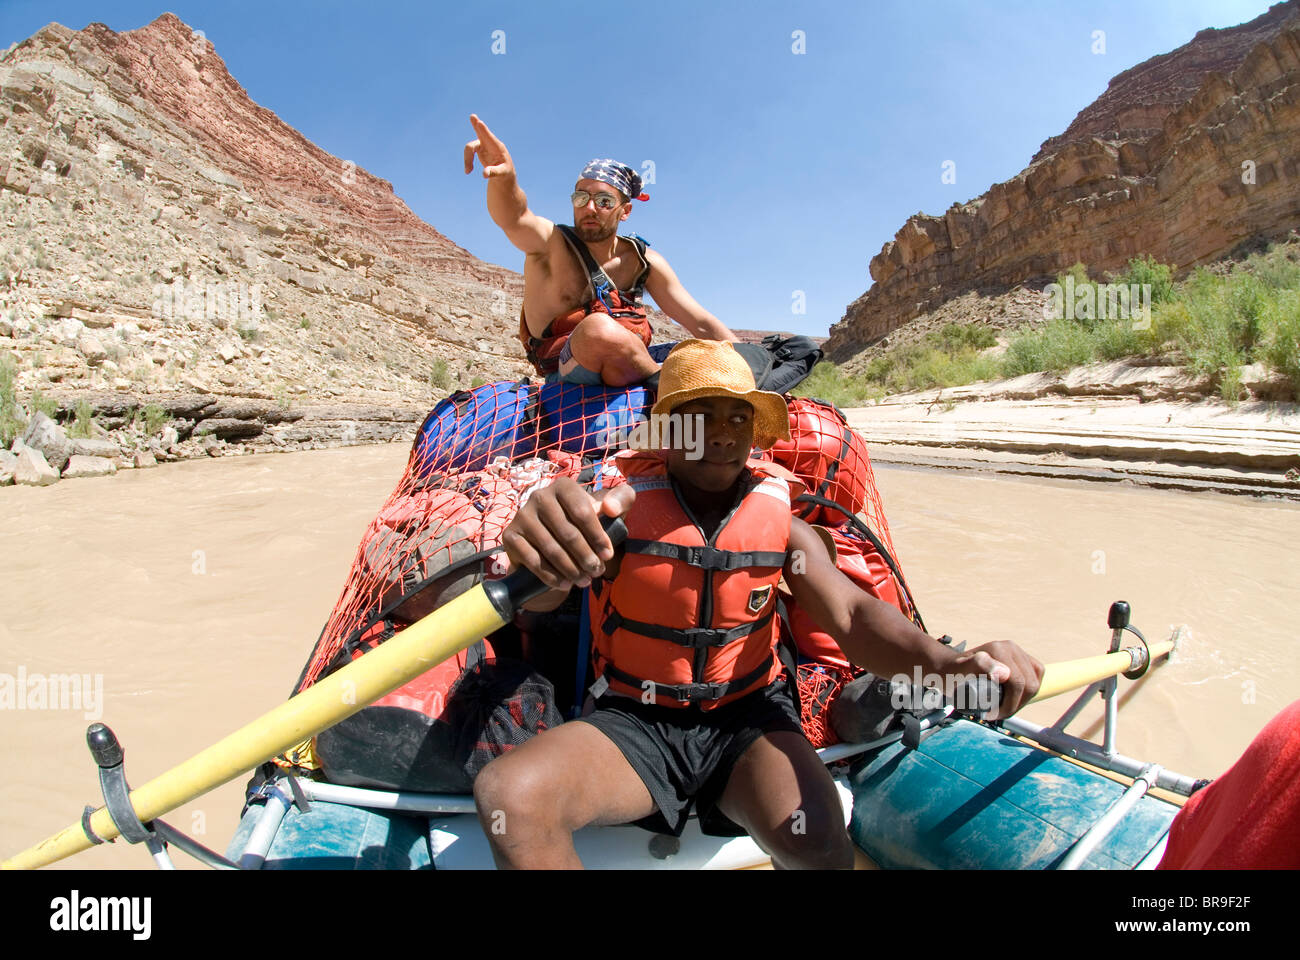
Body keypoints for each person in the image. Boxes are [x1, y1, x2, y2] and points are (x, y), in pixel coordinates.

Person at [472, 339, 1044, 869]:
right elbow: (546, 594)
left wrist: (950, 668)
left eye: (737, 417)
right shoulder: (616, 513)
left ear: (754, 433)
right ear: (667, 430)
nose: (721, 433)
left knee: (819, 840)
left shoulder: (783, 525)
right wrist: (539, 554)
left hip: (748, 720)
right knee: (512, 798)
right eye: (700, 416)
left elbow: (851, 615)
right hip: (636, 720)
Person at [463, 115, 735, 387]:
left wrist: (755, 361)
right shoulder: (551, 245)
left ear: (625, 211)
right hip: (568, 371)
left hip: (627, 367)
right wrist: (504, 179)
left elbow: (701, 323)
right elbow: (515, 217)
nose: (590, 208)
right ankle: (668, 383)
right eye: (581, 197)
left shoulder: (643, 262)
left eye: (604, 200)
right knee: (598, 330)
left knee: (698, 351)